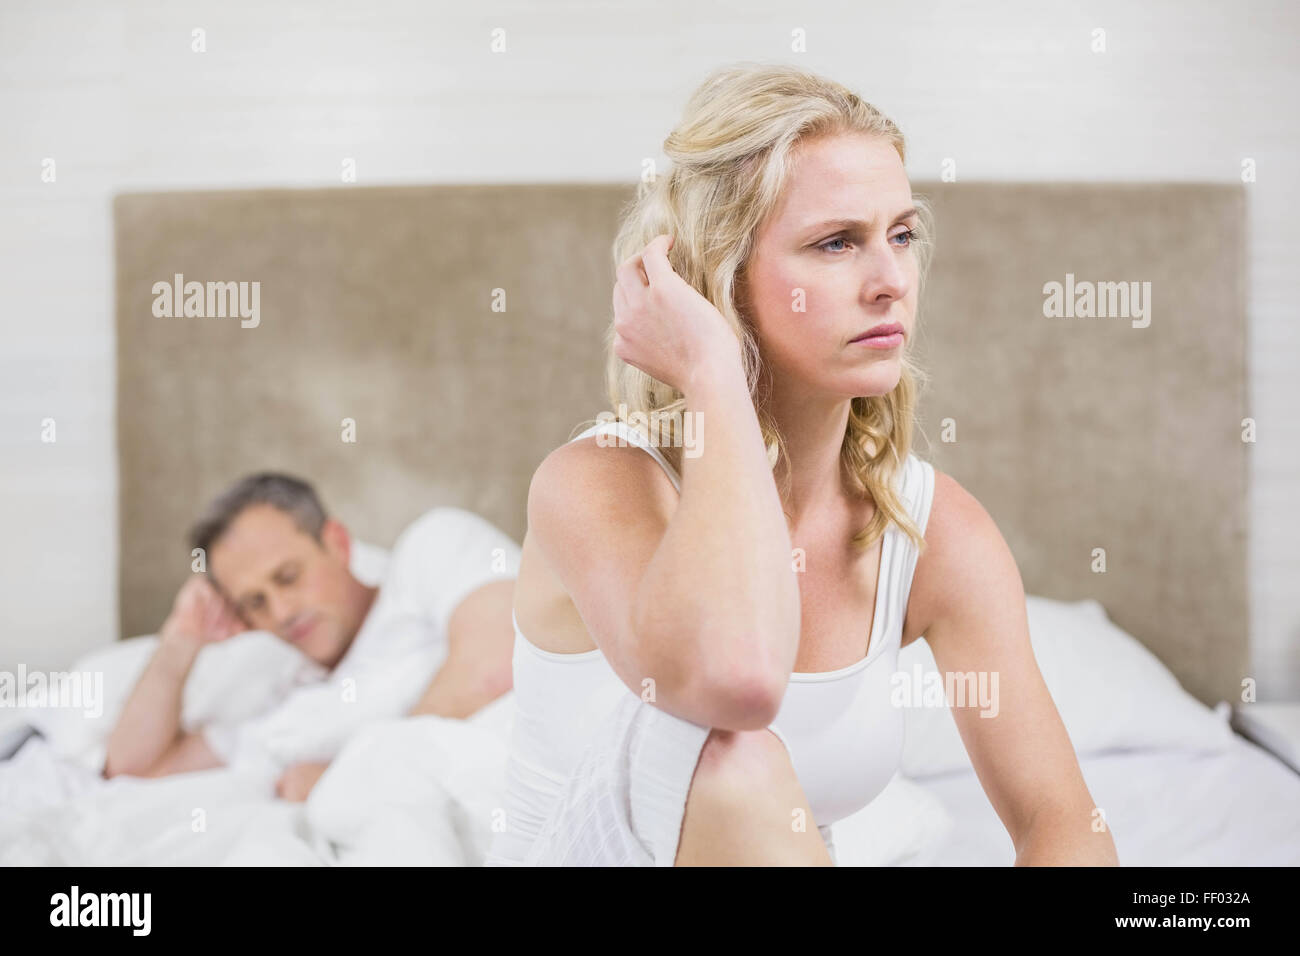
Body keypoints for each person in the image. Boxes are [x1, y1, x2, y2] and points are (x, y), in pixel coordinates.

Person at [486, 62, 1119, 866]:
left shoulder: (930, 530)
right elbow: (736, 684)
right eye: (836, 243)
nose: (891, 282)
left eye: (902, 235)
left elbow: (1060, 821)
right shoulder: (597, 482)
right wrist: (713, 373)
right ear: (720, 279)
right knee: (732, 753)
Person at [104, 473, 519, 802]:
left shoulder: (431, 552)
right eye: (254, 602)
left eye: (288, 577)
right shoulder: (282, 695)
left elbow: (496, 667)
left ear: (336, 542)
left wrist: (344, 780)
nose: (281, 612)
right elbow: (135, 770)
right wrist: (179, 641)